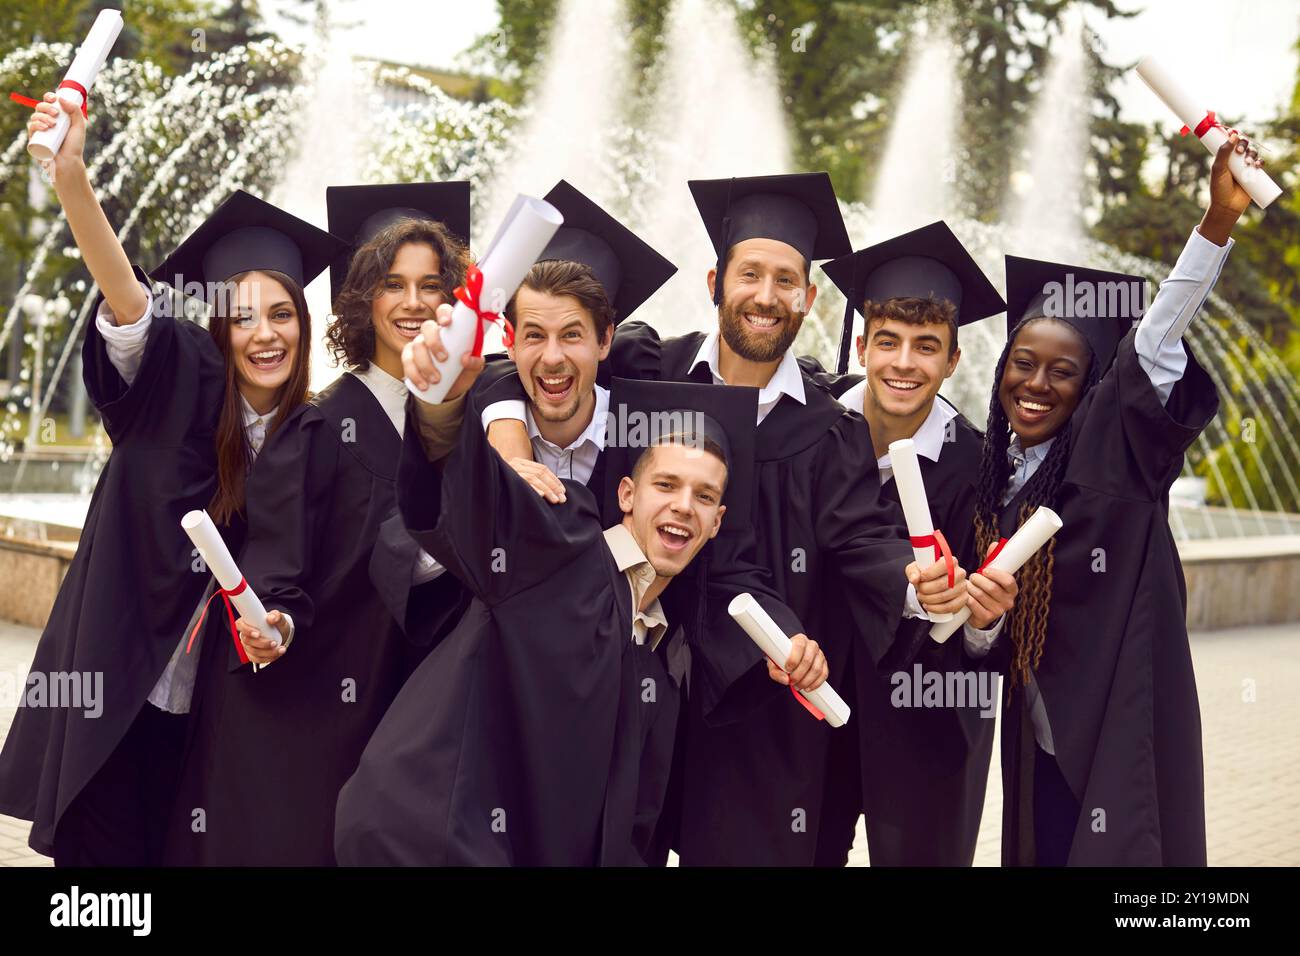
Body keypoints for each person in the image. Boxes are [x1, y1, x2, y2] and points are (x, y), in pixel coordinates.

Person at [484, 172, 950, 865]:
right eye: (750, 274)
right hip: (628, 692)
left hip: (754, 714)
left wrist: (917, 582)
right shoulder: (649, 365)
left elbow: (863, 539)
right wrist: (510, 442)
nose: (766, 295)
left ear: (808, 299)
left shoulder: (830, 429)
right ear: (714, 282)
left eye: (785, 280)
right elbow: (525, 361)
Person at [335, 309, 827, 865]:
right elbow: (472, 496)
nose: (683, 506)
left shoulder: (660, 675)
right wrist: (442, 404)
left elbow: (623, 837)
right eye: (665, 484)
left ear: (717, 523)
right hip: (427, 841)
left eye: (705, 496)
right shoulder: (558, 547)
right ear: (625, 495)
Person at [0, 92, 343, 864]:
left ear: (304, 325)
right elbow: (124, 293)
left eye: (282, 314)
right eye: (244, 316)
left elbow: (301, 583)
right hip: (117, 700)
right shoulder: (172, 381)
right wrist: (72, 178)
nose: (265, 333)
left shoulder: (312, 440)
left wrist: (278, 628)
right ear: (219, 328)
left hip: (214, 727)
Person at [966, 133, 1255, 866]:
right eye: (1023, 364)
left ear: (1094, 386)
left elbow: (1156, 340)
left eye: (1063, 372)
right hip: (1035, 738)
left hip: (1115, 725)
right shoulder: (994, 475)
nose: (1036, 384)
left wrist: (1216, 222)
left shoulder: (1113, 449)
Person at [163, 183, 471, 865]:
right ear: (362, 301)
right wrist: (274, 621)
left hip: (407, 719)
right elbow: (277, 565)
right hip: (299, 720)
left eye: (431, 284)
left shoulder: (471, 423)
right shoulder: (319, 426)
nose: (414, 302)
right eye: (393, 284)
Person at [801, 220, 1019, 864]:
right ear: (863, 344)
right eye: (888, 341)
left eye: (927, 347)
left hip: (926, 723)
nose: (904, 363)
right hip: (808, 709)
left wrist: (981, 620)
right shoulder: (806, 425)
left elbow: (989, 629)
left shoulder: (981, 469)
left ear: (953, 360)